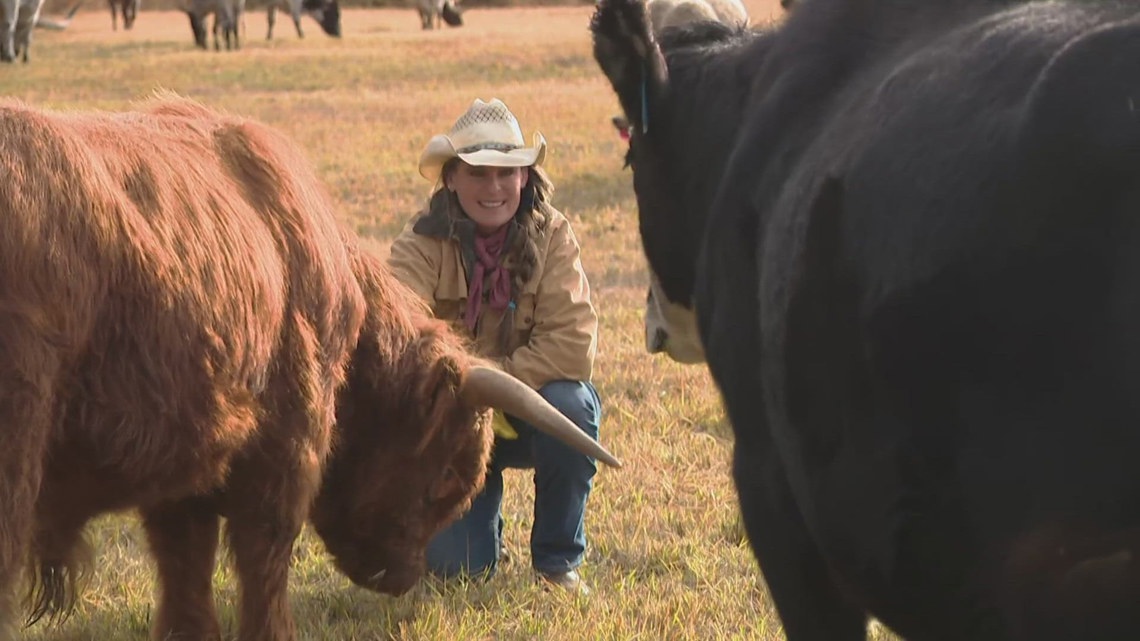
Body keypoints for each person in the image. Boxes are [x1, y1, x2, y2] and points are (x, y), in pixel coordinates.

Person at [387, 98, 601, 595]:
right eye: (479, 173)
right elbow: (396, 340)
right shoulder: (418, 245)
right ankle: (479, 529)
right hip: (452, 425)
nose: (494, 187)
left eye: (507, 172)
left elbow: (572, 347)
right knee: (456, 570)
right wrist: (464, 393)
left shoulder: (555, 236)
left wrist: (489, 379)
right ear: (452, 179)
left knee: (573, 405)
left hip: (532, 413)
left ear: (525, 178)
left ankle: (557, 563)